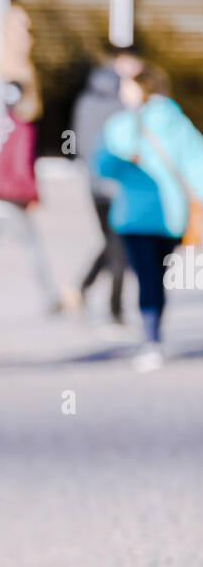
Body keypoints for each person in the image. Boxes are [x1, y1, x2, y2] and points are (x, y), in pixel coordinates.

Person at [94, 64, 203, 371]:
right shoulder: (178, 122)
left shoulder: (123, 123)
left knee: (146, 277)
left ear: (141, 88)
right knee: (157, 276)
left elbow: (102, 166)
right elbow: (198, 165)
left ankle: (151, 341)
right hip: (173, 214)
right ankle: (155, 337)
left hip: (135, 213)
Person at [0, 79, 62, 323]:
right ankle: (51, 299)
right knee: (33, 250)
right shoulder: (22, 129)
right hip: (10, 200)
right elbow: (22, 167)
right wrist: (33, 194)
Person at [72, 44, 142, 324]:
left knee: (114, 243)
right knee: (119, 246)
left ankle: (84, 287)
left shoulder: (85, 98)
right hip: (117, 183)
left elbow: (79, 143)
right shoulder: (123, 102)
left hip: (95, 184)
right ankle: (115, 308)